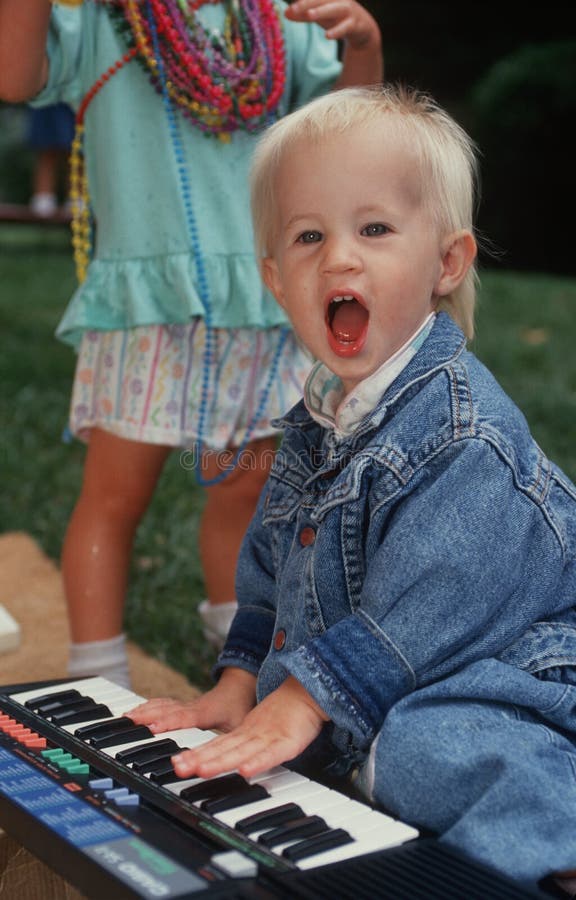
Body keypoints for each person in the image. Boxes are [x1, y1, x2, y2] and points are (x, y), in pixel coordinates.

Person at [129, 85, 576, 889]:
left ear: (446, 263)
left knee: (429, 744)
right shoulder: (315, 423)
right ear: (275, 277)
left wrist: (302, 701)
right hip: (390, 681)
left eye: (374, 229)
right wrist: (239, 683)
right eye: (309, 236)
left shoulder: (464, 432)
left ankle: (556, 856)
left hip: (520, 675)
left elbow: (436, 598)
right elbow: (271, 569)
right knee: (377, 740)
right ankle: (374, 785)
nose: (339, 256)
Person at [0, 0, 383, 687]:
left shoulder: (272, 26)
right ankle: (97, 674)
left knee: (244, 487)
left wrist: (363, 45)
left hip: (258, 310)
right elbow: (14, 76)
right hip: (147, 319)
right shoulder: (98, 22)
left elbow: (348, 132)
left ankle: (240, 651)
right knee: (116, 496)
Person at [27, 102, 74, 217]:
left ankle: (76, 197)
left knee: (76, 150)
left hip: (75, 99)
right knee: (46, 147)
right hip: (46, 95)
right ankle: (43, 197)